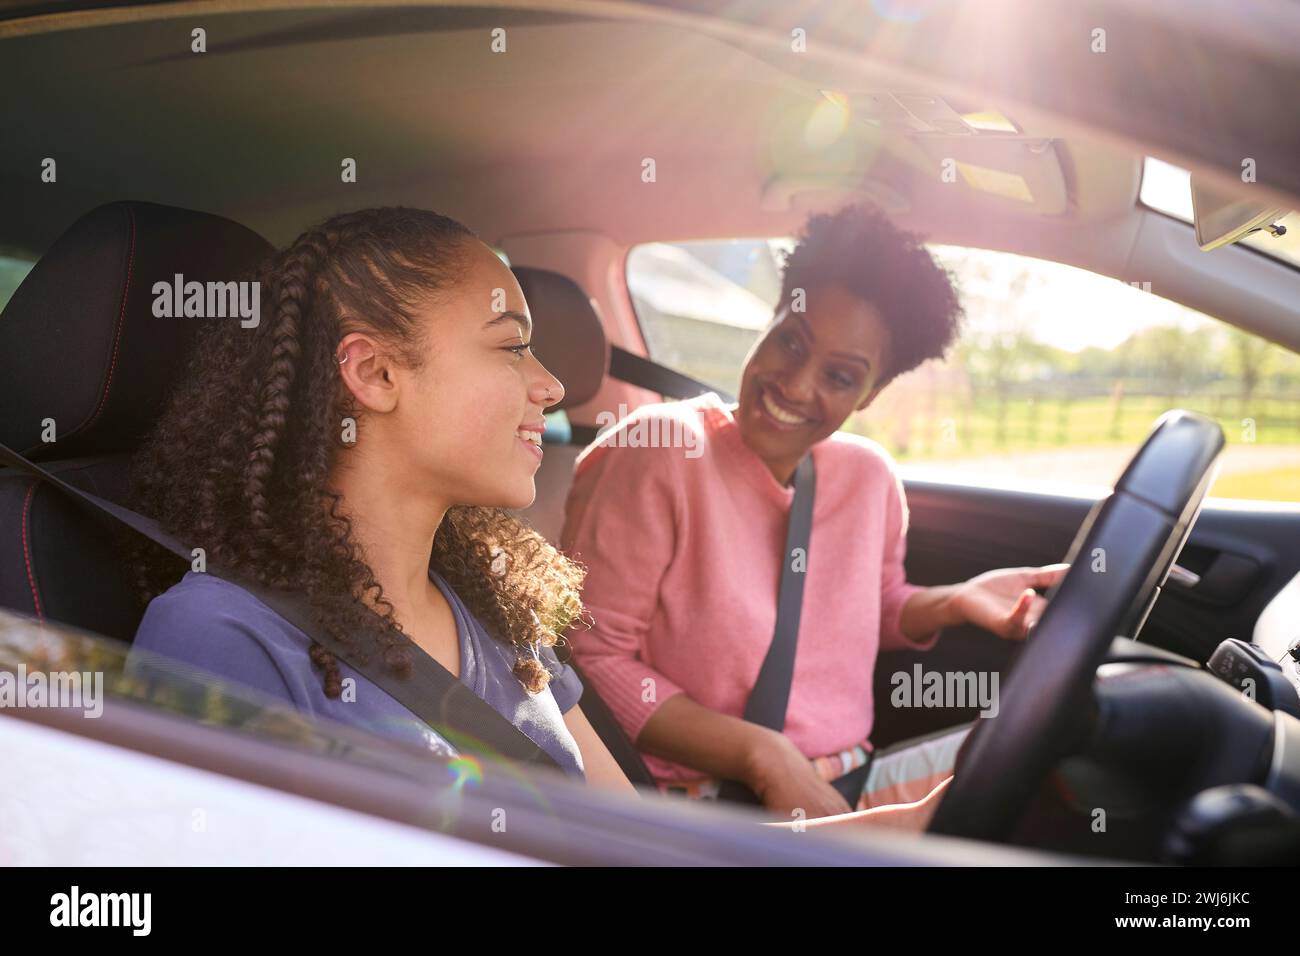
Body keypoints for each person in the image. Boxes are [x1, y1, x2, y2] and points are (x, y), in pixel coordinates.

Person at [561, 205, 1067, 826]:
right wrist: (763, 756)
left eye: (840, 375)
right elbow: (591, 657)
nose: (797, 385)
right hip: (706, 805)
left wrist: (957, 600)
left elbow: (873, 607)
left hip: (850, 780)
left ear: (872, 393)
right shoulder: (660, 449)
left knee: (1069, 754)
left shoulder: (868, 475)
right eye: (790, 341)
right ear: (770, 320)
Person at [129, 207, 634, 795]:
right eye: (511, 346)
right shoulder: (221, 636)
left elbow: (644, 840)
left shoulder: (496, 606)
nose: (552, 386)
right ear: (375, 373)